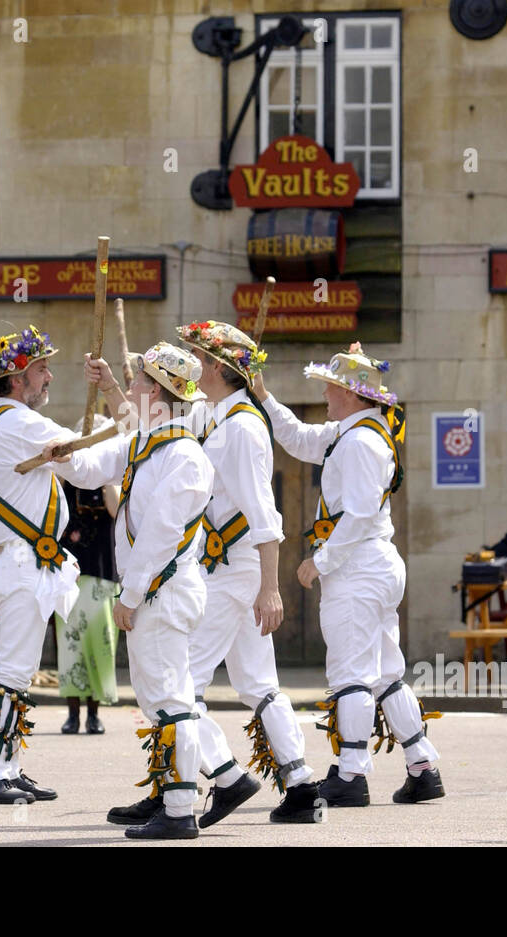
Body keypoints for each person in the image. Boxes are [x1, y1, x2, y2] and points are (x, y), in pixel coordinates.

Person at [253, 342, 443, 806]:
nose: (326, 393)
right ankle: (423, 768)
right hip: (373, 565)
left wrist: (319, 561)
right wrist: (263, 394)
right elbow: (297, 438)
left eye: (334, 387)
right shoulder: (352, 433)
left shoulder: (358, 441)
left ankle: (352, 773)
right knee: (386, 674)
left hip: (359, 567)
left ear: (355, 396)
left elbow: (357, 515)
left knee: (351, 673)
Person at [44, 343, 213, 840]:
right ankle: (168, 794)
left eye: (139, 381)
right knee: (157, 697)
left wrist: (130, 596)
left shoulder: (184, 456)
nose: (130, 387)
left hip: (165, 591)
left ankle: (180, 811)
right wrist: (64, 458)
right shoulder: (144, 442)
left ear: (159, 396)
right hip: (154, 593)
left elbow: (161, 535)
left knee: (170, 696)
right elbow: (94, 467)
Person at [174, 320, 320, 824]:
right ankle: (301, 787)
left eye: (196, 356)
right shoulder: (216, 417)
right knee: (258, 682)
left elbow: (265, 515)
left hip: (233, 572)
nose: (191, 363)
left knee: (181, 682)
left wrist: (269, 588)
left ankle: (217, 779)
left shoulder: (240, 427)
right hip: (230, 570)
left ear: (217, 367)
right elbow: (157, 416)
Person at [0, 325, 82, 805]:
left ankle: (6, 766)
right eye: (40, 369)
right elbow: (85, 448)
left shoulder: (1, 420)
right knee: (11, 671)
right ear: (15, 379)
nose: (49, 377)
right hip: (19, 563)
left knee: (17, 670)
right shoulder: (16, 421)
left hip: (15, 563)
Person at [53, 424, 121, 734]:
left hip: (102, 571)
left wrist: (107, 477)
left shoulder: (110, 480)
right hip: (70, 573)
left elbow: (117, 511)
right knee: (70, 645)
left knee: (101, 646)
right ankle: (72, 713)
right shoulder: (67, 480)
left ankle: (94, 712)